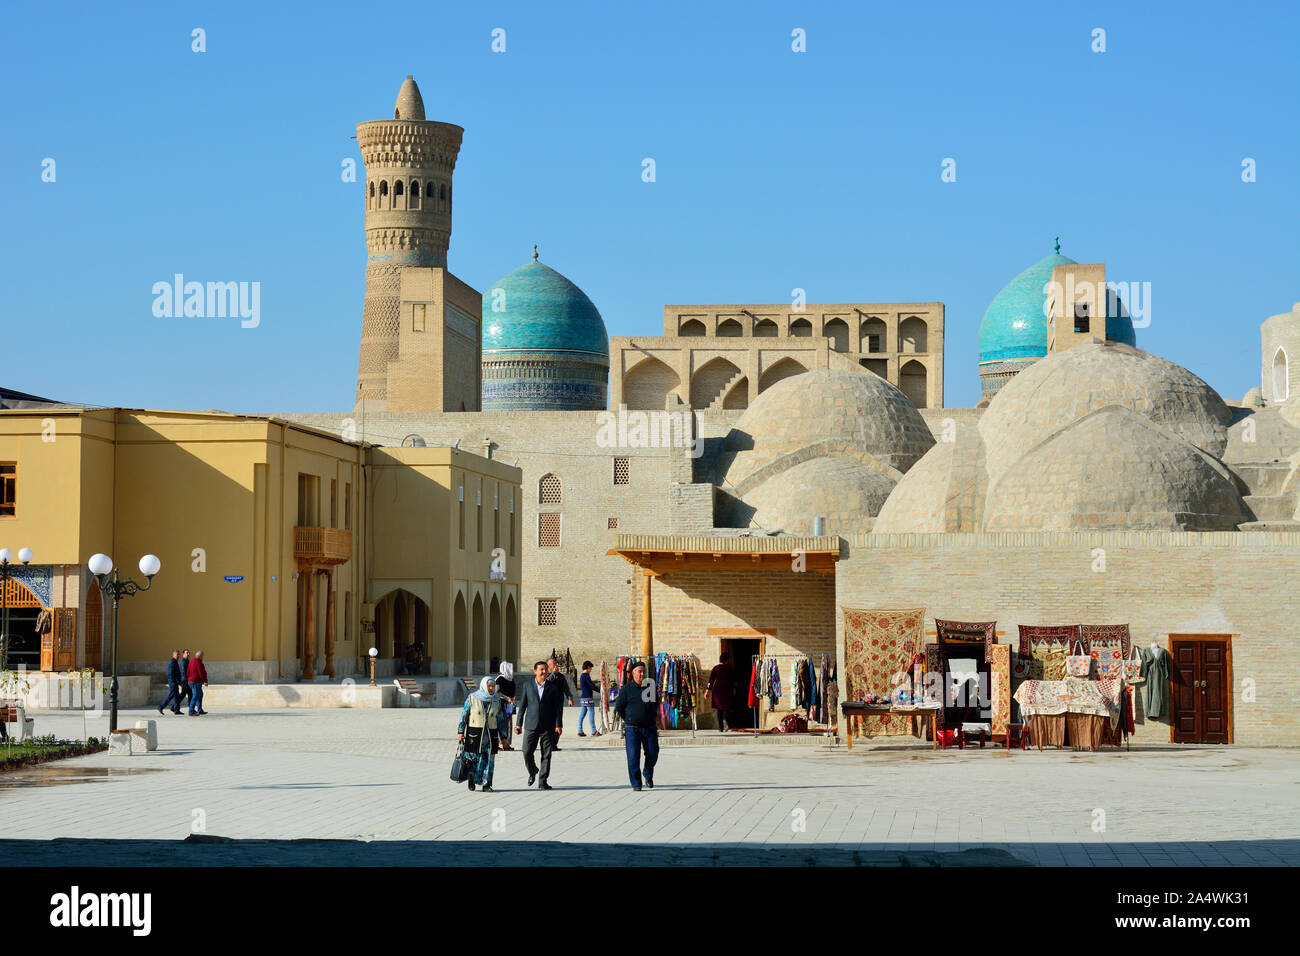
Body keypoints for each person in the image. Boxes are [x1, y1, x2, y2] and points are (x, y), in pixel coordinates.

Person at [515, 661, 563, 790]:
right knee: (526, 751)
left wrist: (559, 724)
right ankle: (532, 771)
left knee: (546, 754)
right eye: (541, 670)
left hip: (548, 725)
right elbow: (523, 706)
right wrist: (518, 724)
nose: (544, 672)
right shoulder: (527, 686)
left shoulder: (553, 687)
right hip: (531, 725)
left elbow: (558, 708)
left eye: (545, 670)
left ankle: (543, 781)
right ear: (535, 671)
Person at [614, 661, 659, 791]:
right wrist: (628, 718)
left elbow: (655, 704)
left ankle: (647, 773)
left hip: (649, 727)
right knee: (633, 756)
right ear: (633, 673)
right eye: (639, 671)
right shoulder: (626, 690)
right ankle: (636, 783)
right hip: (632, 729)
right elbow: (619, 707)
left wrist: (651, 717)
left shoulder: (650, 687)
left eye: (643, 671)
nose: (642, 674)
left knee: (653, 753)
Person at [457, 676, 508, 792]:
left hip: (491, 734)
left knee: (489, 760)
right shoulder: (472, 698)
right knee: (473, 759)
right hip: (475, 733)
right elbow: (464, 715)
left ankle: (486, 784)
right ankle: (471, 780)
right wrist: (461, 731)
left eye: (493, 686)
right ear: (484, 685)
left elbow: (500, 720)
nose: (491, 688)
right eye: (489, 686)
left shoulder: (496, 700)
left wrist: (504, 737)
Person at [546, 656, 575, 751]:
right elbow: (546, 683)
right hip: (548, 705)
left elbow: (566, 688)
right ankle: (549, 744)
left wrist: (569, 698)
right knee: (550, 725)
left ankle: (554, 744)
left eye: (556, 663)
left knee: (558, 724)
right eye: (553, 664)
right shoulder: (545, 675)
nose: (556, 665)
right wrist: (553, 673)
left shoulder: (561, 676)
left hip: (558, 704)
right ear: (548, 666)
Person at [707, 652, 736, 733]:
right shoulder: (731, 668)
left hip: (717, 690)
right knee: (727, 709)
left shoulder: (716, 668)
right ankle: (728, 725)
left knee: (719, 709)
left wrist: (707, 691)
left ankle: (720, 727)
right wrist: (734, 689)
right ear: (727, 660)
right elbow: (734, 680)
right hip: (727, 690)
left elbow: (711, 680)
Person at [577, 660, 602, 737]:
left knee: (582, 715)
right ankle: (594, 731)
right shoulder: (586, 676)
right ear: (588, 667)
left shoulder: (581, 676)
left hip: (583, 698)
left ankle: (580, 730)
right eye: (591, 668)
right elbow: (592, 686)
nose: (591, 670)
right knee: (591, 714)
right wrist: (600, 690)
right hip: (588, 698)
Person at [496, 661, 517, 750]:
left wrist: (513, 697)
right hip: (500, 704)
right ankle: (496, 744)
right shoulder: (499, 679)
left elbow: (513, 690)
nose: (511, 670)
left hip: (509, 705)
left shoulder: (511, 679)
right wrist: (507, 698)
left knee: (508, 723)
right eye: (509, 668)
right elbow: (497, 692)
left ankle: (506, 744)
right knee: (499, 723)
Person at [158, 650, 184, 716]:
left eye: (179, 655)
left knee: (176, 696)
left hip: (174, 682)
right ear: (173, 655)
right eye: (177, 654)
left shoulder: (175, 662)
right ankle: (161, 706)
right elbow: (170, 673)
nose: (178, 656)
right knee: (171, 695)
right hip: (173, 682)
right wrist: (173, 681)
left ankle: (176, 710)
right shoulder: (172, 662)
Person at [187, 650, 209, 716]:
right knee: (195, 695)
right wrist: (205, 681)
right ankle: (191, 711)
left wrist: (189, 678)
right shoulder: (198, 662)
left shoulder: (191, 661)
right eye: (202, 655)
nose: (203, 657)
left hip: (192, 681)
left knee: (200, 694)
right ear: (200, 656)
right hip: (195, 682)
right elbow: (201, 673)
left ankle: (200, 710)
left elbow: (187, 671)